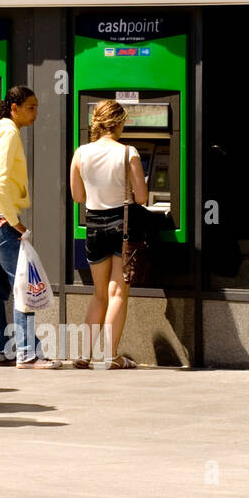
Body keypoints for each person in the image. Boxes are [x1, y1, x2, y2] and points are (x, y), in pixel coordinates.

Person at [0, 85, 59, 369]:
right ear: (14, 108)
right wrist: (14, 221)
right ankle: (28, 353)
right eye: (31, 107)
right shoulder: (8, 132)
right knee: (23, 286)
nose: (35, 113)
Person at [69, 99, 149, 368]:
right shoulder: (129, 153)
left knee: (99, 293)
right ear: (119, 122)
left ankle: (83, 354)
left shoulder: (80, 153)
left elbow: (78, 196)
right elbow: (142, 197)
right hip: (122, 225)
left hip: (93, 226)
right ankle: (111, 356)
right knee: (117, 293)